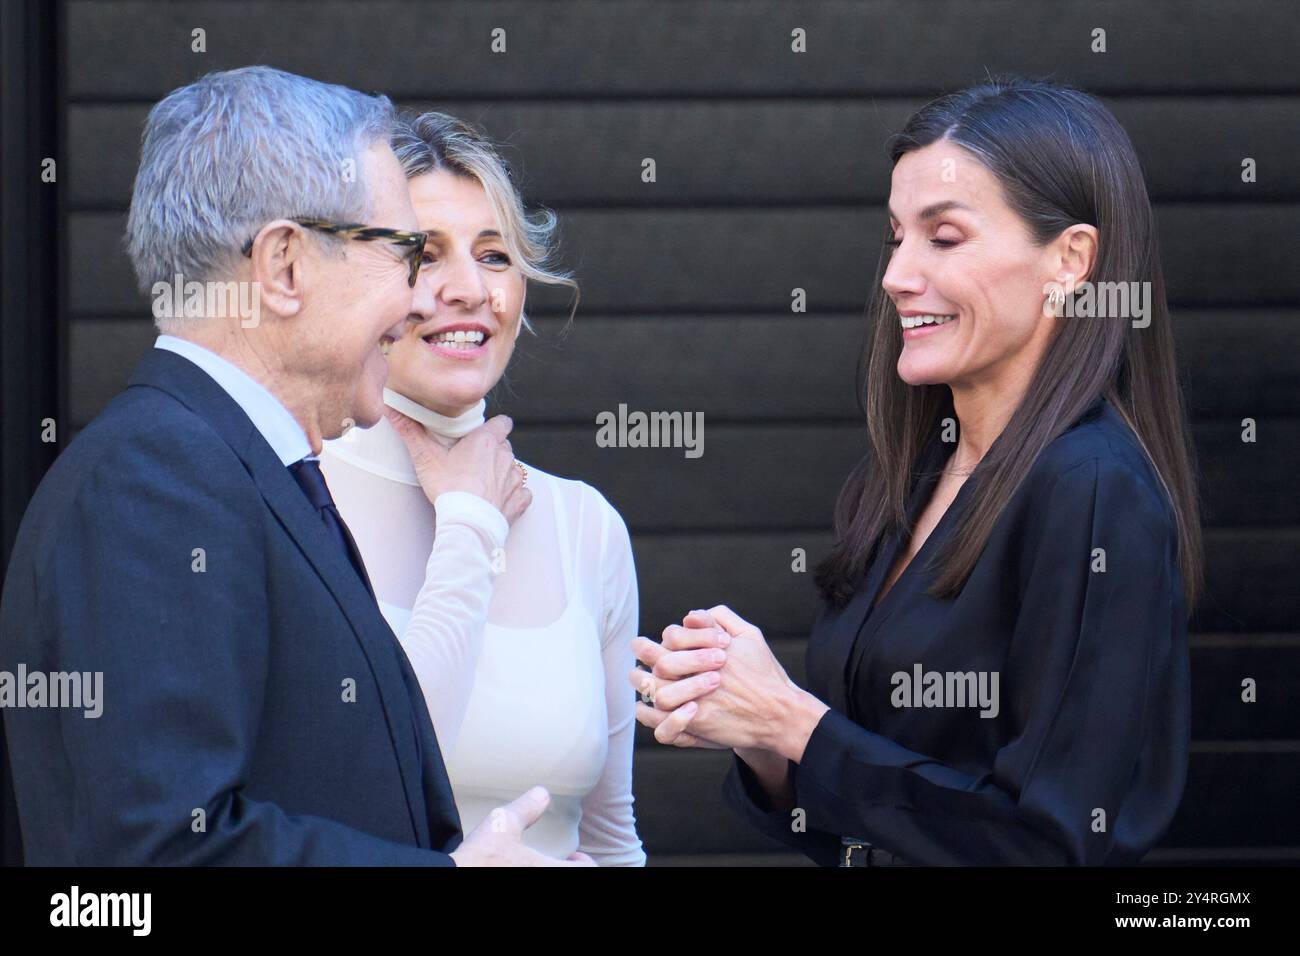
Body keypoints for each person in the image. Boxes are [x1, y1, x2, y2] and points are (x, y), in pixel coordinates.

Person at [0, 66, 588, 866]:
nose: (422, 300)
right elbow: (158, 851)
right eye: (404, 251)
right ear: (283, 267)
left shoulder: (242, 469)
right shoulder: (155, 479)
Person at [633, 77, 1200, 866]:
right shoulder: (918, 474)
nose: (898, 274)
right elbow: (881, 807)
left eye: (945, 236)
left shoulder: (1094, 490)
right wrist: (753, 733)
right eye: (895, 236)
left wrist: (792, 722)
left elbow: (1053, 845)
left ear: (1070, 260)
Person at [318, 111, 645, 865]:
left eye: (494, 255)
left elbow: (612, 840)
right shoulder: (298, 502)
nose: (470, 289)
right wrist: (469, 521)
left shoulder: (585, 527)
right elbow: (372, 768)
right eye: (426, 255)